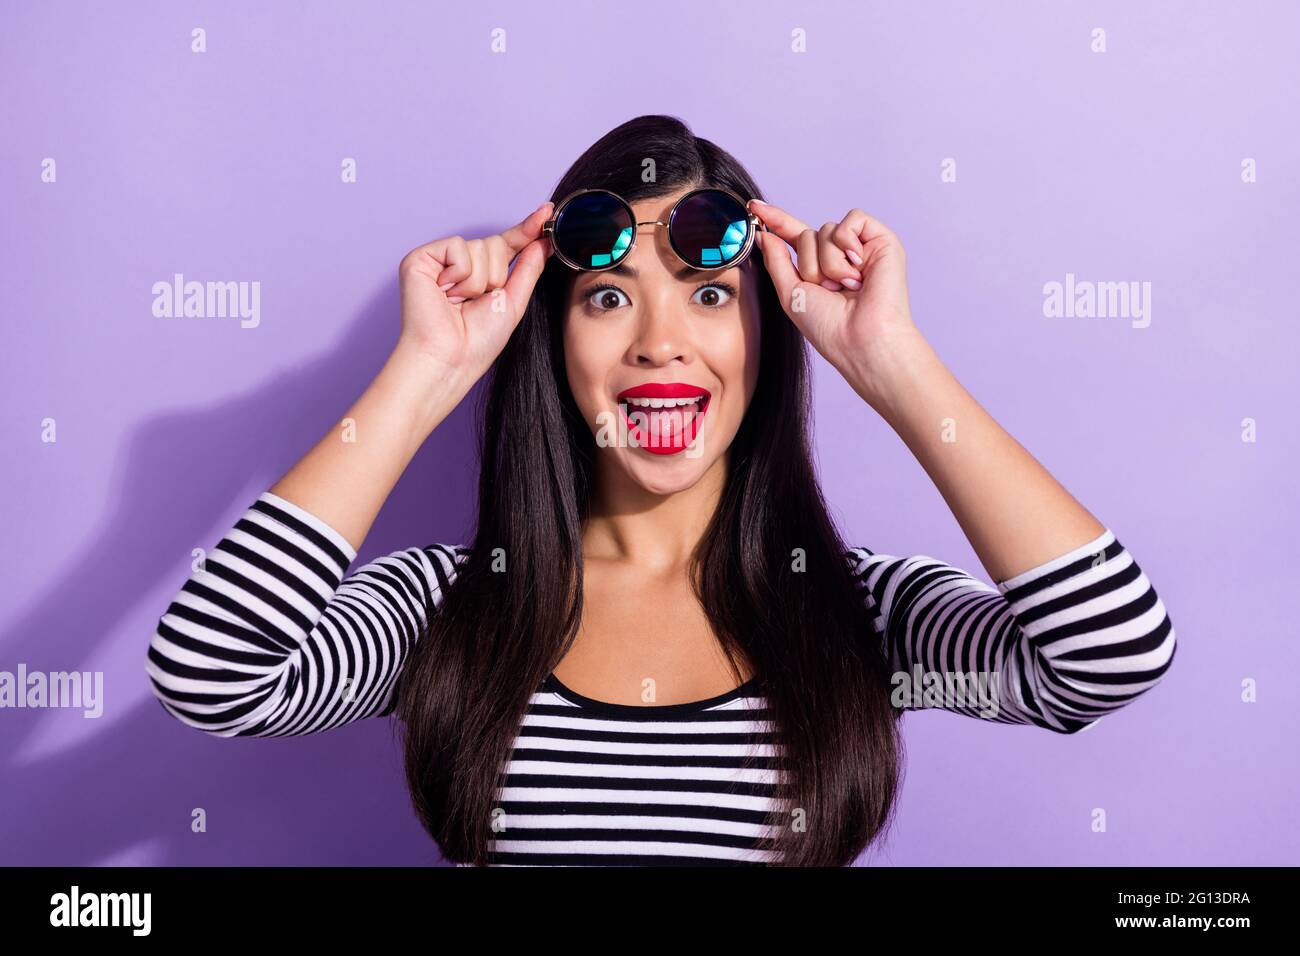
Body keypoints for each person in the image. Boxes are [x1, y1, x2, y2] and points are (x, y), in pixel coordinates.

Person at [145, 114, 1176, 866]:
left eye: (710, 294)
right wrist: (425, 375)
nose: (658, 342)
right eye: (605, 296)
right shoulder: (452, 605)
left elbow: (1110, 653)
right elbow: (212, 674)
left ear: (764, 336)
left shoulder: (859, 611)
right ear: (552, 341)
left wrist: (889, 360)